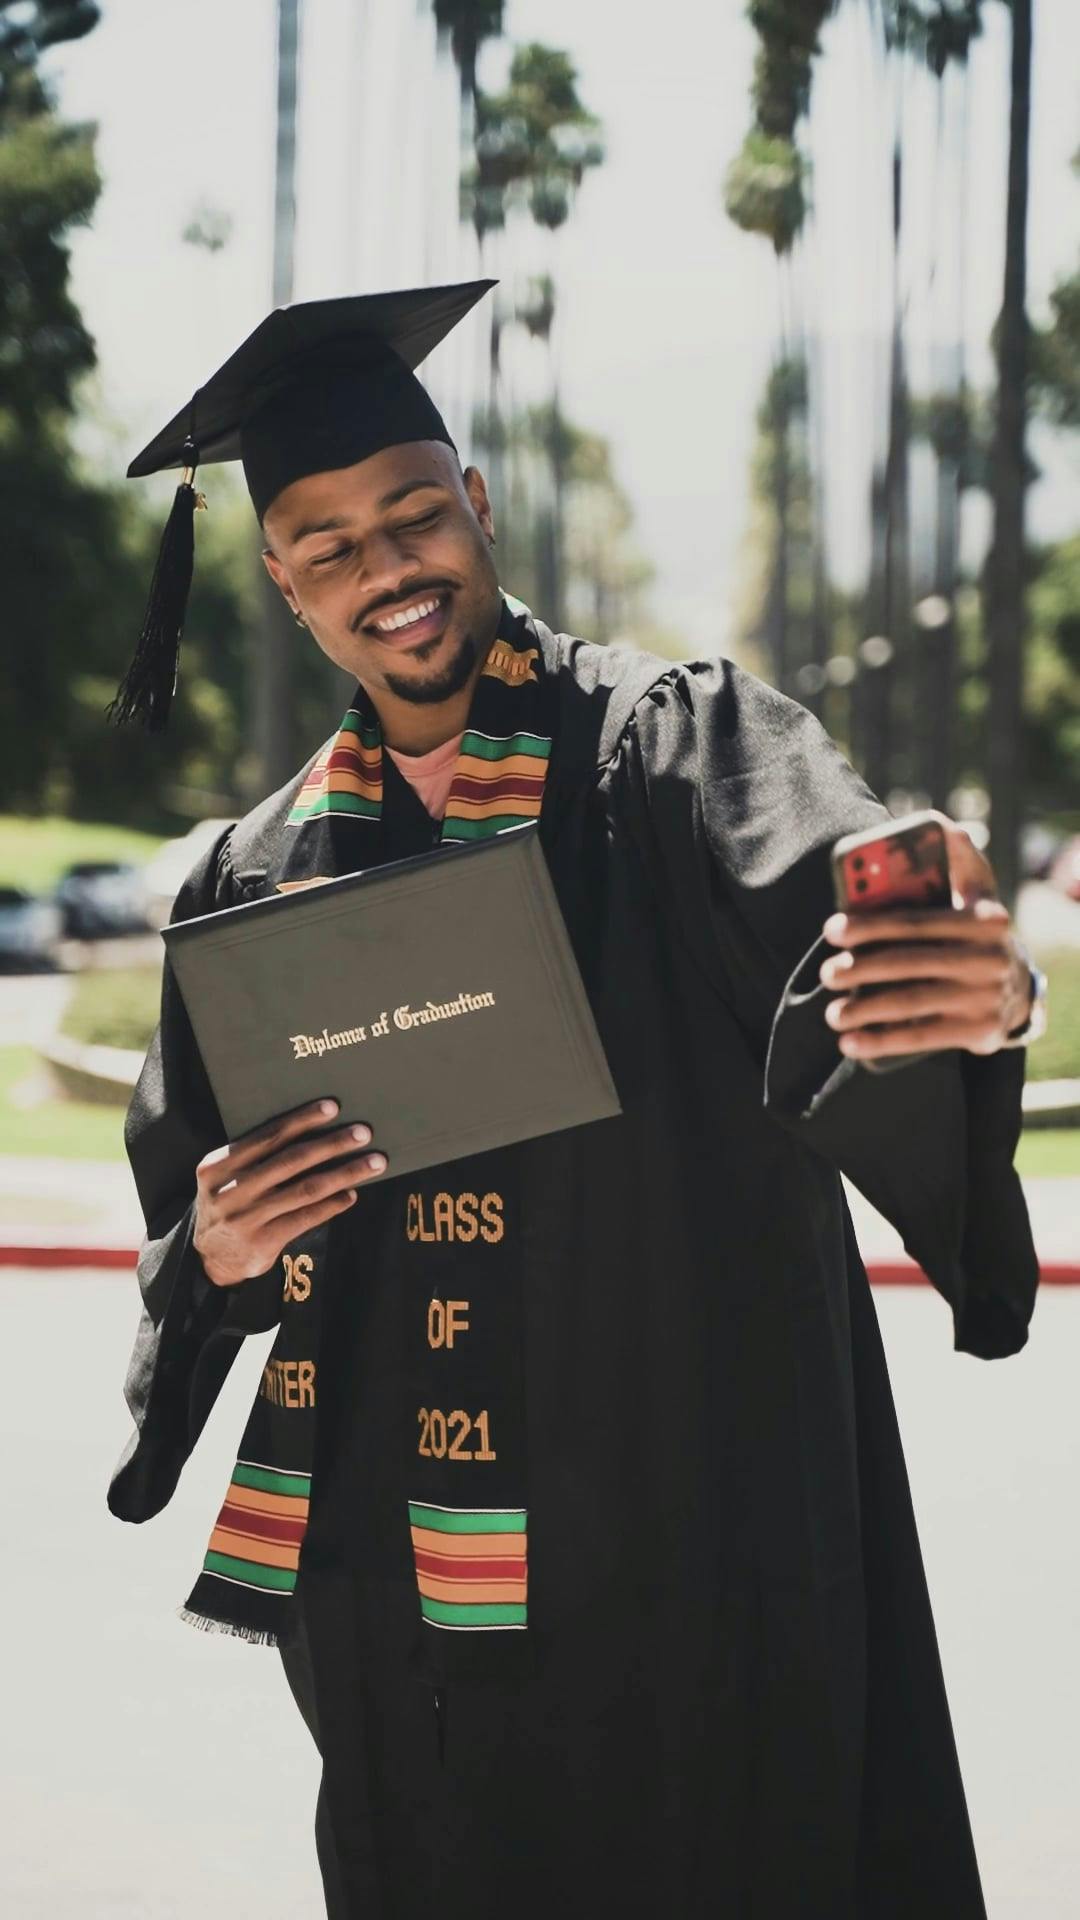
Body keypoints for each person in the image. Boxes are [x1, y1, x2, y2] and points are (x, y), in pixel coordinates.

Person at [108, 279, 1045, 1920]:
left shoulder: (673, 758)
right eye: (328, 548)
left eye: (414, 518)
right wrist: (225, 1243)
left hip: (701, 1554)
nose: (386, 570)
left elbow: (854, 917)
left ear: (474, 508)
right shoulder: (256, 883)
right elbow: (193, 1239)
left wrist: (963, 983)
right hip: (407, 1621)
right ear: (284, 587)